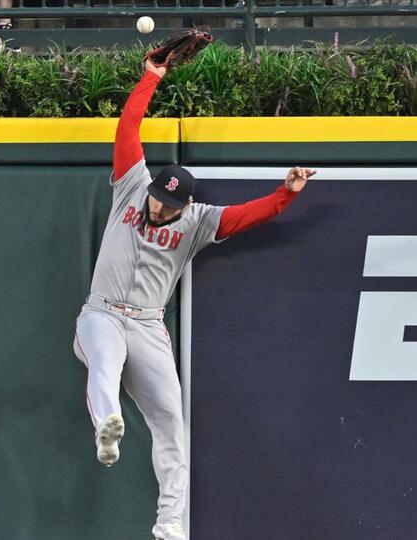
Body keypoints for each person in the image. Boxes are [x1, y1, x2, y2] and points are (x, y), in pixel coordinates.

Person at [72, 60, 315, 540]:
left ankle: (170, 526)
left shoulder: (198, 220)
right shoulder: (132, 187)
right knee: (104, 361)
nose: (160, 205)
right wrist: (151, 77)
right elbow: (128, 127)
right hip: (101, 311)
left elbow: (248, 216)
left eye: (169, 203)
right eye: (160, 196)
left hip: (146, 324)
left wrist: (285, 193)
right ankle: (108, 428)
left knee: (171, 424)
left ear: (185, 205)